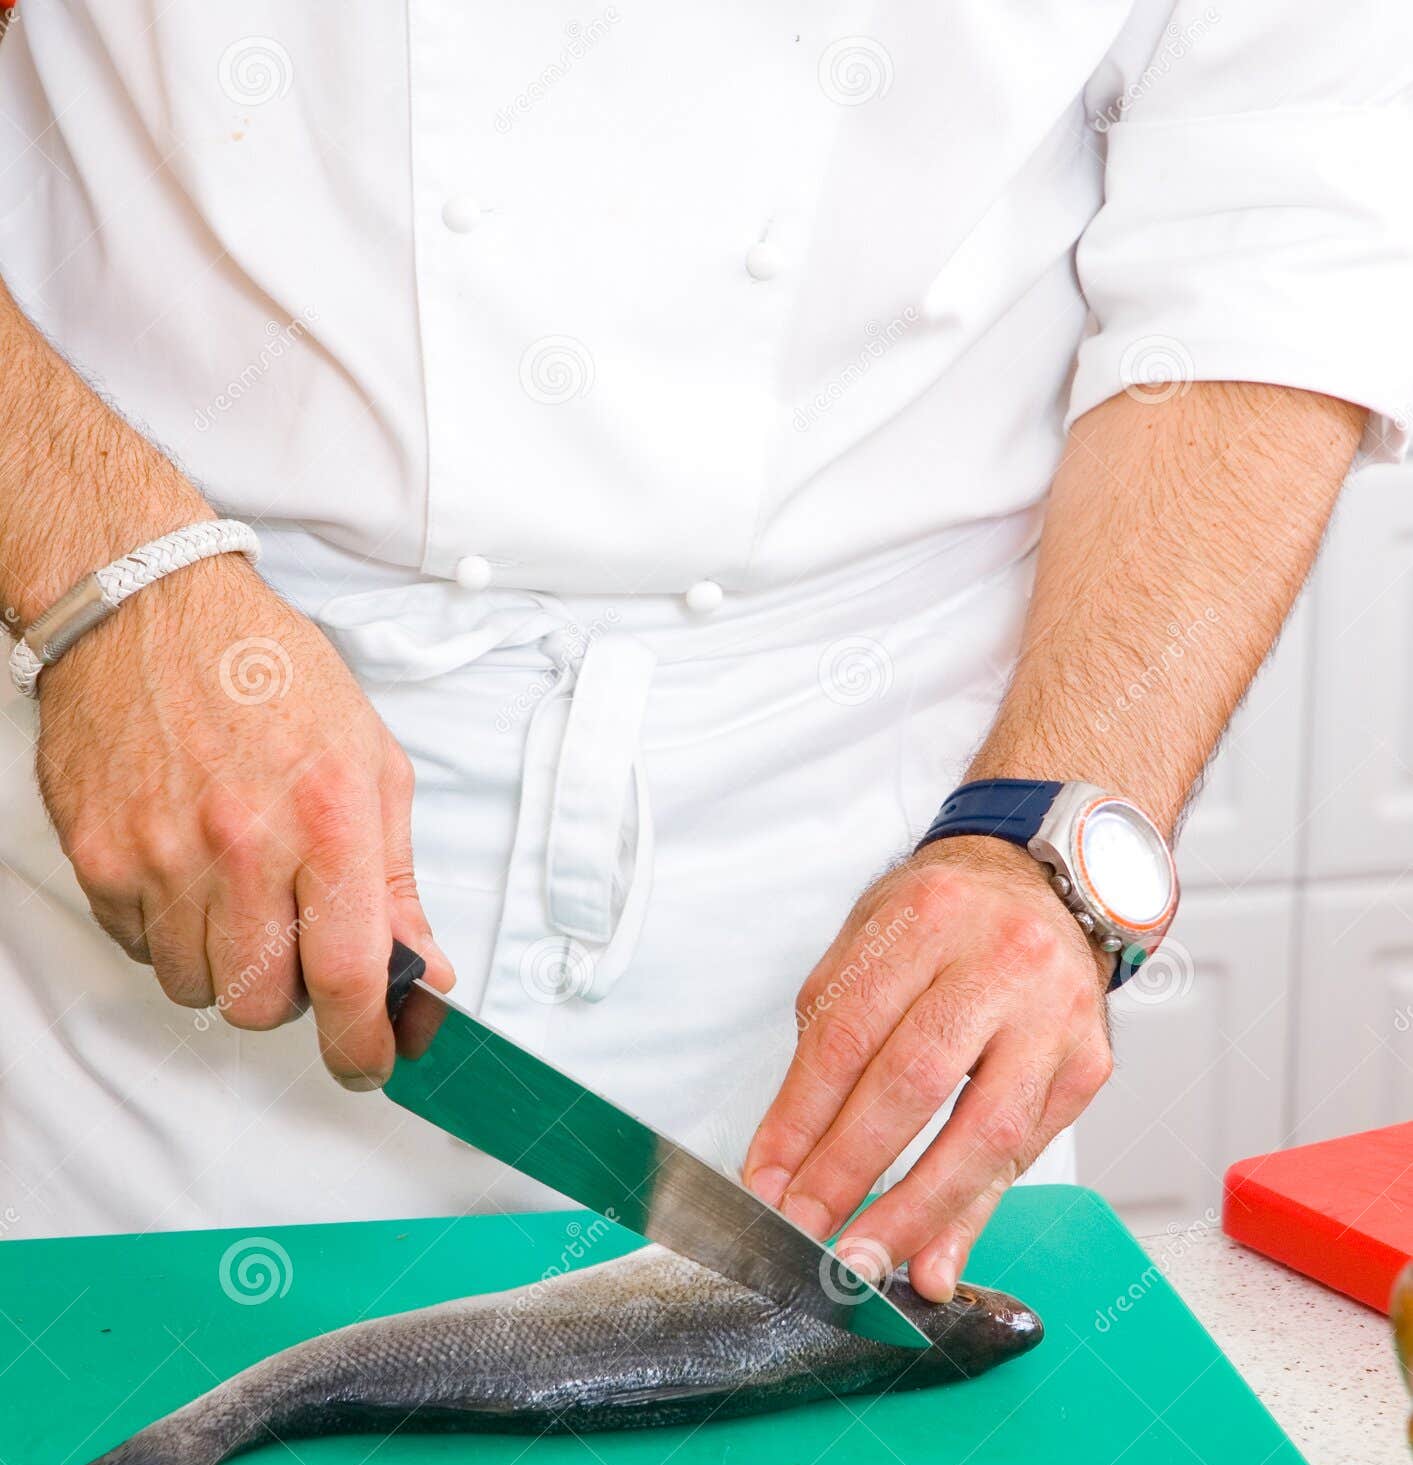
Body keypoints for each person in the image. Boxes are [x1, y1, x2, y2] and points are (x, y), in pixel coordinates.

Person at [0, 3, 1408, 1303]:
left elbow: (1274, 217)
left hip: (878, 904)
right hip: (162, 904)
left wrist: (1048, 834)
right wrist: (107, 574)